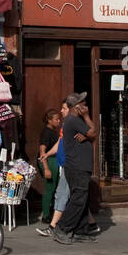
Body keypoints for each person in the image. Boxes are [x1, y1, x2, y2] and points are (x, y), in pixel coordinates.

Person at [51, 92, 97, 245]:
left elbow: (92, 134)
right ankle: (62, 228)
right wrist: (87, 117)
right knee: (78, 198)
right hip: (76, 166)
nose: (85, 106)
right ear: (76, 107)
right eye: (82, 104)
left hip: (80, 165)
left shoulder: (74, 121)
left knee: (82, 199)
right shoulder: (74, 120)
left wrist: (88, 135)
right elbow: (93, 131)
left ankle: (80, 231)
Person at [37, 108, 61, 224]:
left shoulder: (53, 131)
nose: (59, 121)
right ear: (49, 120)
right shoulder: (46, 132)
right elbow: (42, 151)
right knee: (50, 188)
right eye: (56, 119)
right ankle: (46, 215)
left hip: (54, 161)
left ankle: (51, 212)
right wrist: (46, 168)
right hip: (49, 161)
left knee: (54, 187)